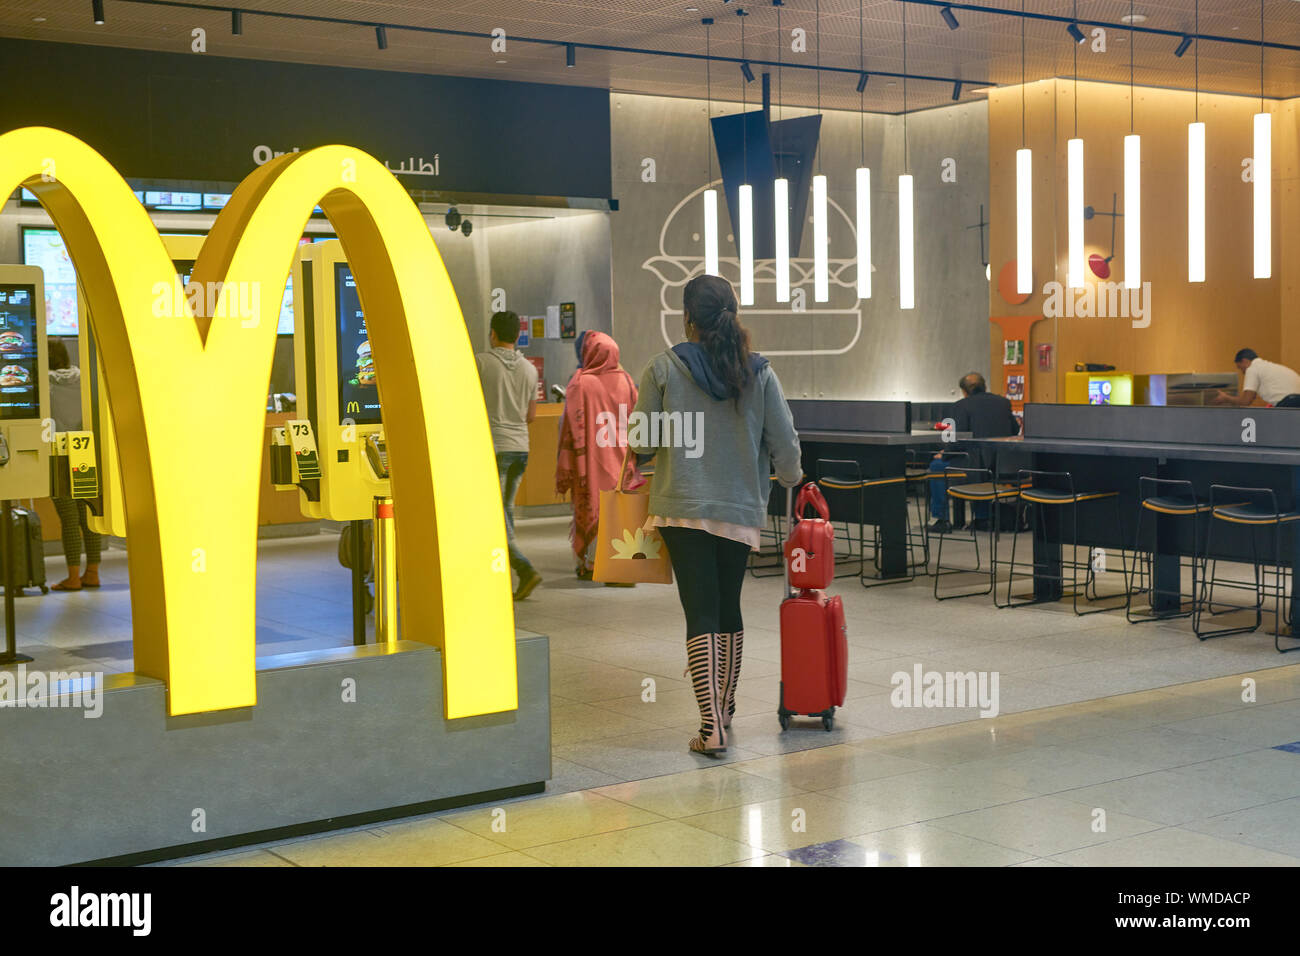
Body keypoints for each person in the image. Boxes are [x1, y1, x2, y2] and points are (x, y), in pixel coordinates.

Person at [629, 274, 802, 757]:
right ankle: (724, 712)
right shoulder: (759, 372)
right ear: (733, 313)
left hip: (683, 507)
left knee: (699, 609)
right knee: (730, 608)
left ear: (687, 317)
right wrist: (790, 476)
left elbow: (641, 442)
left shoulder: (662, 369)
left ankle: (711, 728)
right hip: (740, 507)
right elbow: (784, 442)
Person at [556, 331, 638, 580]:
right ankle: (619, 565)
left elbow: (568, 424)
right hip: (621, 457)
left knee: (592, 507)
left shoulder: (581, 383)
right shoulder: (626, 380)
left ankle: (592, 564)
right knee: (617, 510)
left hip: (591, 460)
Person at [475, 311, 542, 601]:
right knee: (506, 511)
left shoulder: (481, 363)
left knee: (497, 515)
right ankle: (503, 573)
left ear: (493, 334)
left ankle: (523, 569)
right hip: (521, 448)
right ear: (517, 335)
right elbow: (531, 415)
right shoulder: (530, 369)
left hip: (495, 446)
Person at [928, 372, 1021, 533]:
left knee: (936, 466)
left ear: (964, 391)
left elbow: (957, 439)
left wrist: (945, 454)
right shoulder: (1003, 403)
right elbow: (1014, 429)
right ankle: (982, 518)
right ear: (984, 386)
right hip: (1002, 464)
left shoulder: (961, 405)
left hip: (973, 464)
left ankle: (941, 519)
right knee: (979, 468)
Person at [47, 339, 102, 592]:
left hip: (57, 451)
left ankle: (72, 577)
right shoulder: (83, 377)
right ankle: (92, 572)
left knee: (68, 518)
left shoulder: (45, 382)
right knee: (87, 514)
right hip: (85, 449)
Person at [1213, 349, 1300, 408]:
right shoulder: (1271, 367)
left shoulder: (1252, 369)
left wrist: (1226, 398)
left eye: (1240, 367)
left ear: (1244, 361)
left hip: (1288, 403)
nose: (1243, 372)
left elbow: (1245, 402)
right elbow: (1252, 396)